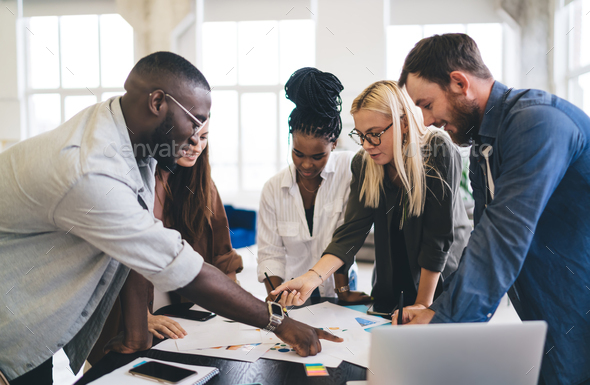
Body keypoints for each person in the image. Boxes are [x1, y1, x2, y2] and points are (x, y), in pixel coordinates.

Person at [0, 52, 341, 384]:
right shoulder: (91, 170)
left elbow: (134, 253)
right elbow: (181, 269)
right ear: (158, 102)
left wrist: (135, 337)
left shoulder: (128, 134)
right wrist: (279, 323)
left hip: (30, 317)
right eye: (194, 122)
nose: (196, 138)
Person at [394, 33, 590, 385]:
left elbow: (503, 236)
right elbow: (483, 237)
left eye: (426, 104)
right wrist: (437, 309)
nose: (426, 121)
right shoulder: (485, 144)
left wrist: (445, 326)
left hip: (577, 302)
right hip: (549, 306)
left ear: (459, 83)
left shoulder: (539, 123)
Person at [272, 80, 470, 313]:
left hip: (440, 282)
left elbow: (437, 238)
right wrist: (312, 278)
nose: (366, 145)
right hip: (391, 284)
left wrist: (423, 304)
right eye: (361, 135)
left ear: (403, 123)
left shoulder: (437, 150)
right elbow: (351, 233)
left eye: (375, 134)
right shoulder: (365, 164)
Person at [87, 119, 243, 364]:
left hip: (182, 313)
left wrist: (235, 308)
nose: (196, 147)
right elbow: (108, 260)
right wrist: (140, 316)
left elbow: (223, 256)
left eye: (203, 138)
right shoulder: (131, 180)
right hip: (123, 318)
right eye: (189, 138)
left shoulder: (203, 184)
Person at [257, 67, 369, 303]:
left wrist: (343, 292)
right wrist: (277, 298)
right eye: (298, 153)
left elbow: (346, 236)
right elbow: (270, 254)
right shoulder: (272, 189)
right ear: (290, 140)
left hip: (341, 286)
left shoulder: (350, 169)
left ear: (334, 144)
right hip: (292, 291)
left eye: (318, 156)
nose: (306, 165)